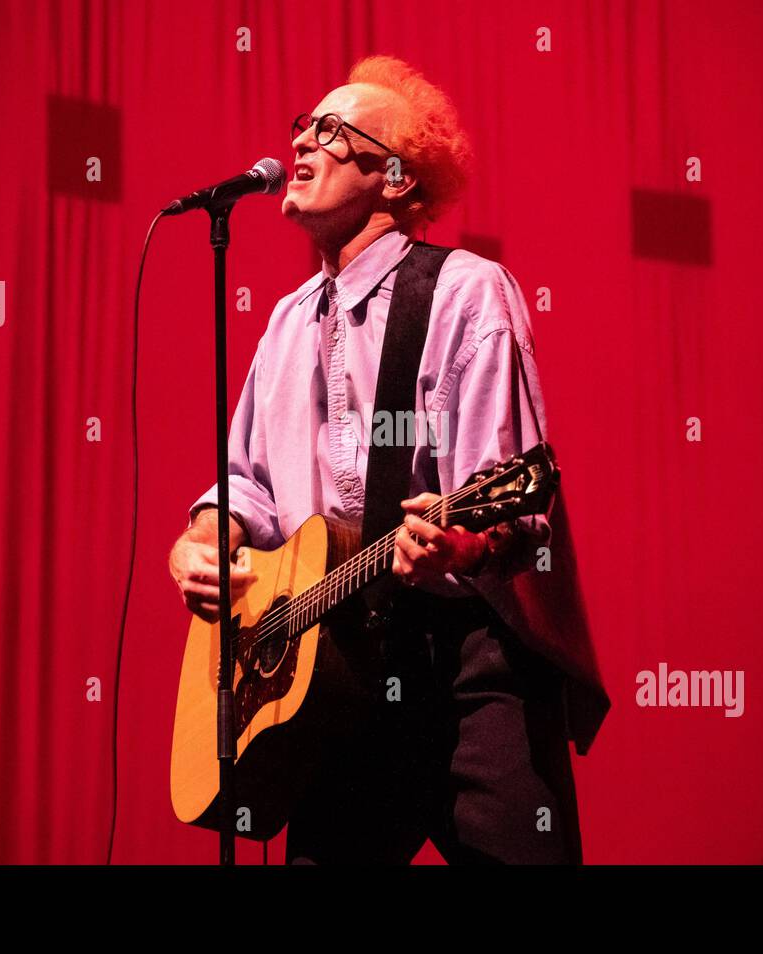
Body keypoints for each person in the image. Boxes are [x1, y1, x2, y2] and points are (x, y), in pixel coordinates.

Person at [168, 55, 608, 864]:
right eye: (303, 123)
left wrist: (462, 543)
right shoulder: (284, 324)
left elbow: (512, 500)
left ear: (398, 179)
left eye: (332, 131)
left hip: (465, 667)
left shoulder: (466, 293)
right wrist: (203, 539)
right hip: (333, 677)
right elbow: (248, 485)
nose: (302, 140)